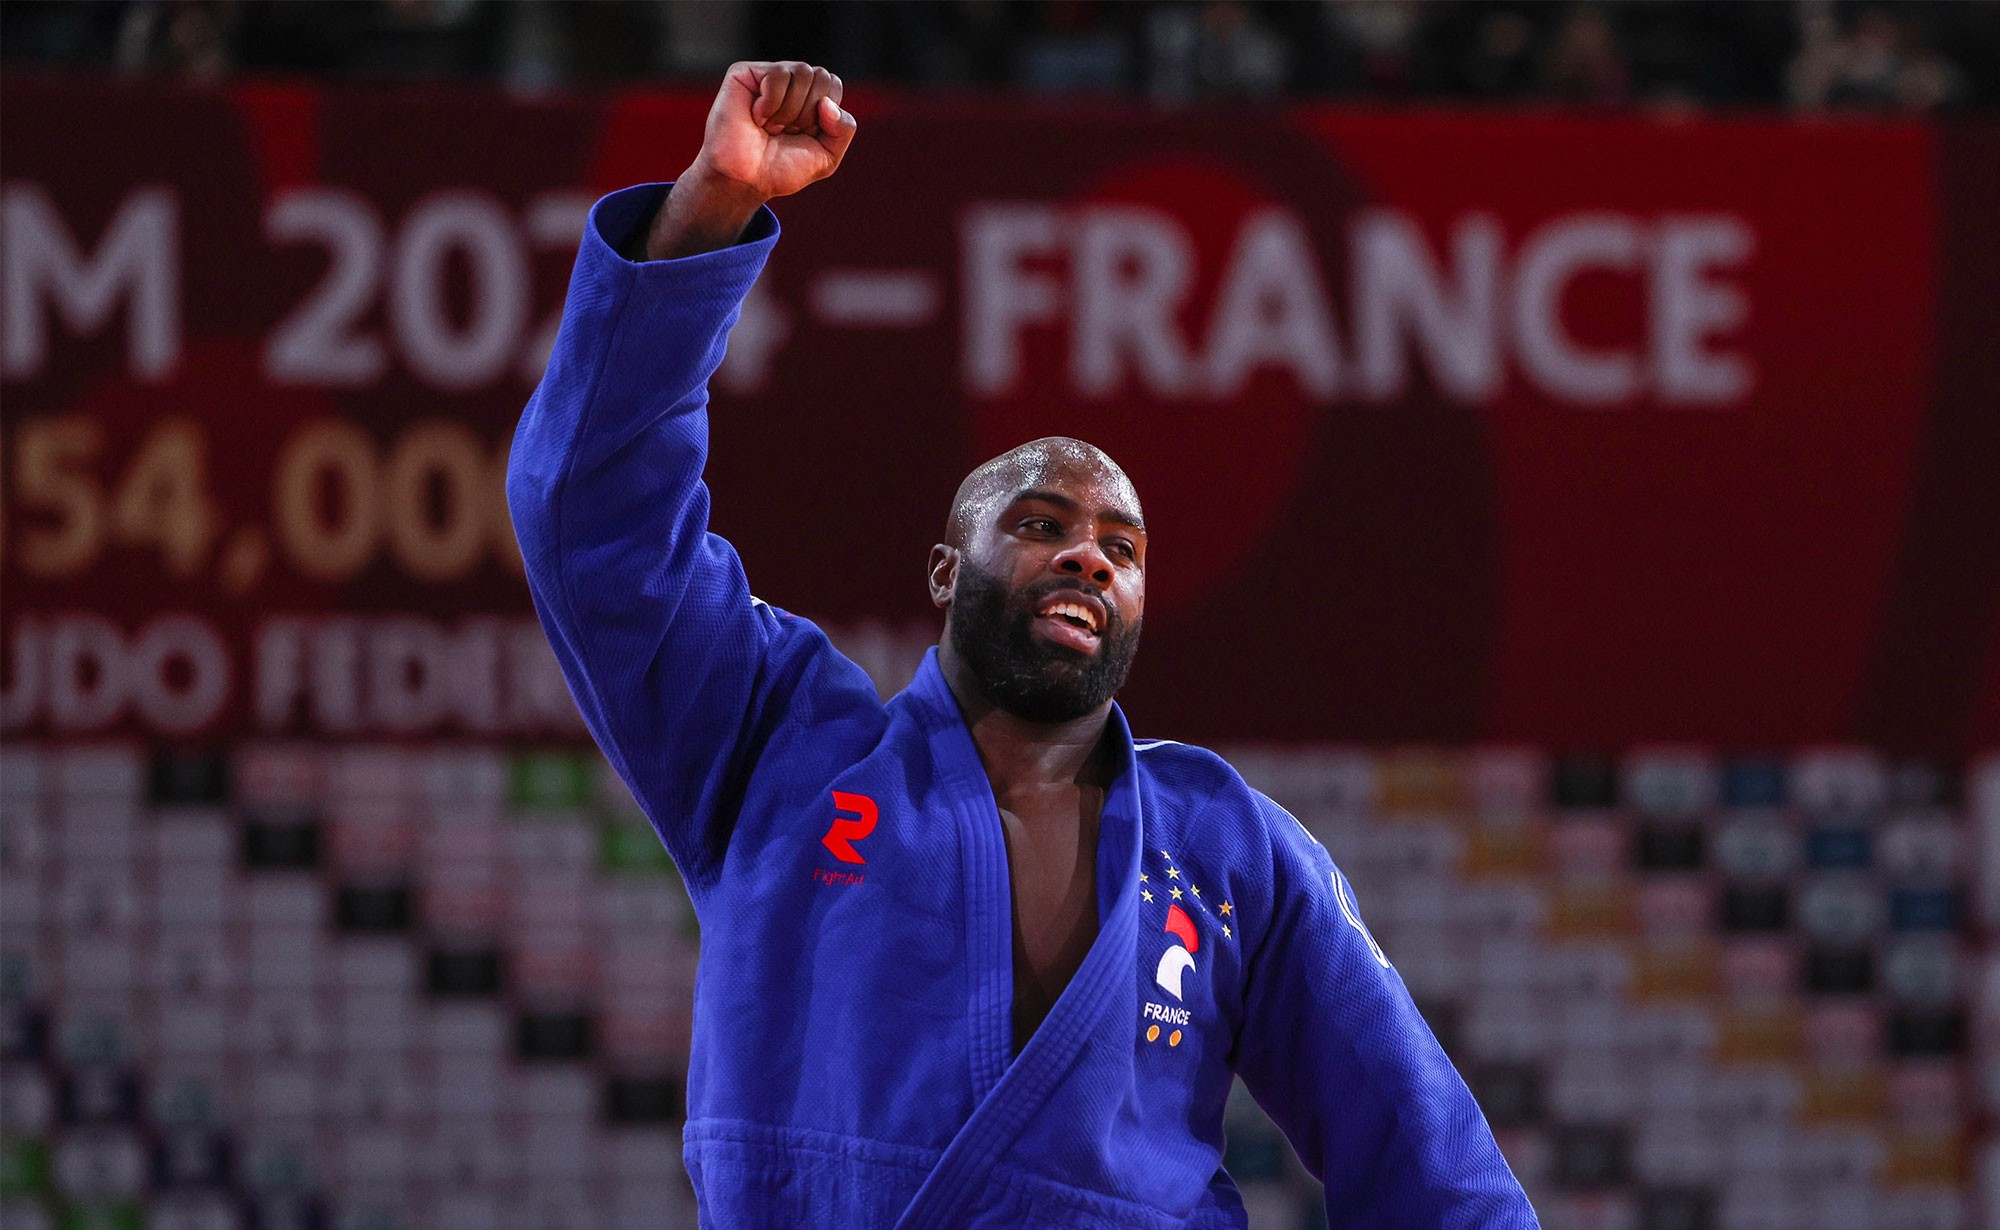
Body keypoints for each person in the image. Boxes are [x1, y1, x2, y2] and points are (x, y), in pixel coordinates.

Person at [508, 60, 1538, 1230]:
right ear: (947, 572)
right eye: (1040, 526)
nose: (1088, 557)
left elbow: (1433, 1169)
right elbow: (594, 517)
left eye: (1121, 547)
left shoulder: (1228, 850)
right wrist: (710, 207)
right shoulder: (775, 751)